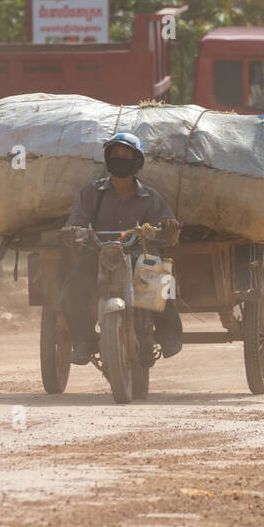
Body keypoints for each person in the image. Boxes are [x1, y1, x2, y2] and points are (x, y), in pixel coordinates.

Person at [60, 133, 182, 364]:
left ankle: (169, 333)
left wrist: (169, 227)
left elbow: (170, 233)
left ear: (137, 162)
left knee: (163, 279)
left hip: (138, 255)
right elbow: (74, 223)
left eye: (125, 155)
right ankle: (84, 339)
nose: (119, 159)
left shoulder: (150, 197)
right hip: (98, 254)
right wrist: (70, 231)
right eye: (114, 154)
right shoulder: (91, 194)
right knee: (72, 286)